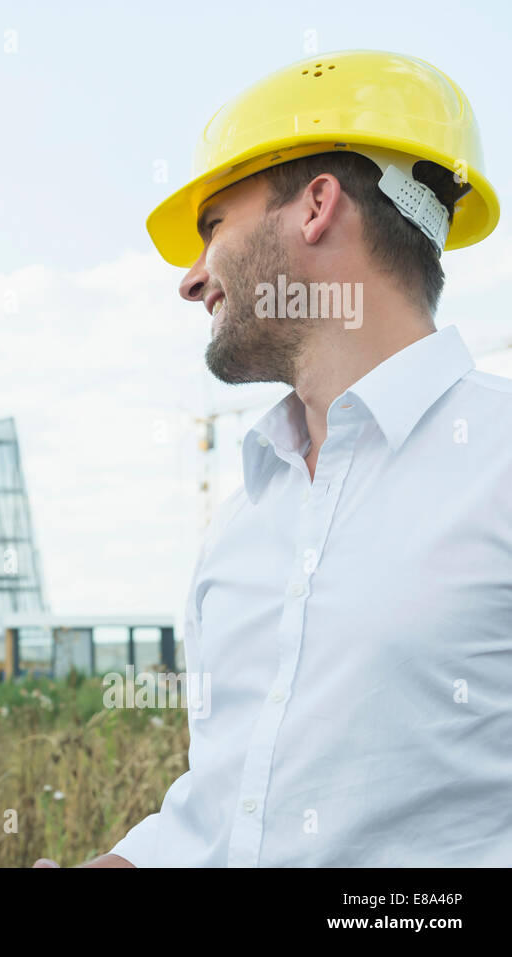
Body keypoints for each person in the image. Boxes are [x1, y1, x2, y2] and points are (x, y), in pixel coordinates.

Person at [39, 50, 511, 867]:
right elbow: (224, 809)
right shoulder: (244, 520)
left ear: (316, 205)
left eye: (213, 227)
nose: (190, 281)